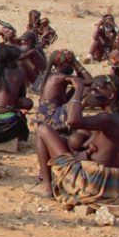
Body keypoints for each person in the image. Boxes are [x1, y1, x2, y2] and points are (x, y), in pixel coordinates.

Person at [33, 75, 119, 206]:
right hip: (112, 181)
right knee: (65, 140)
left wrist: (78, 89)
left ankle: (46, 186)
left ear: (110, 96)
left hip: (93, 180)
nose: (90, 94)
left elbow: (73, 121)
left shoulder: (106, 118)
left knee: (42, 129)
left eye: (95, 91)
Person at [30, 49, 94, 188]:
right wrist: (77, 63)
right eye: (68, 63)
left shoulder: (56, 75)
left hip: (49, 114)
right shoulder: (59, 77)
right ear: (61, 65)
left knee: (82, 91)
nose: (70, 66)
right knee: (84, 90)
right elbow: (88, 81)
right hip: (52, 117)